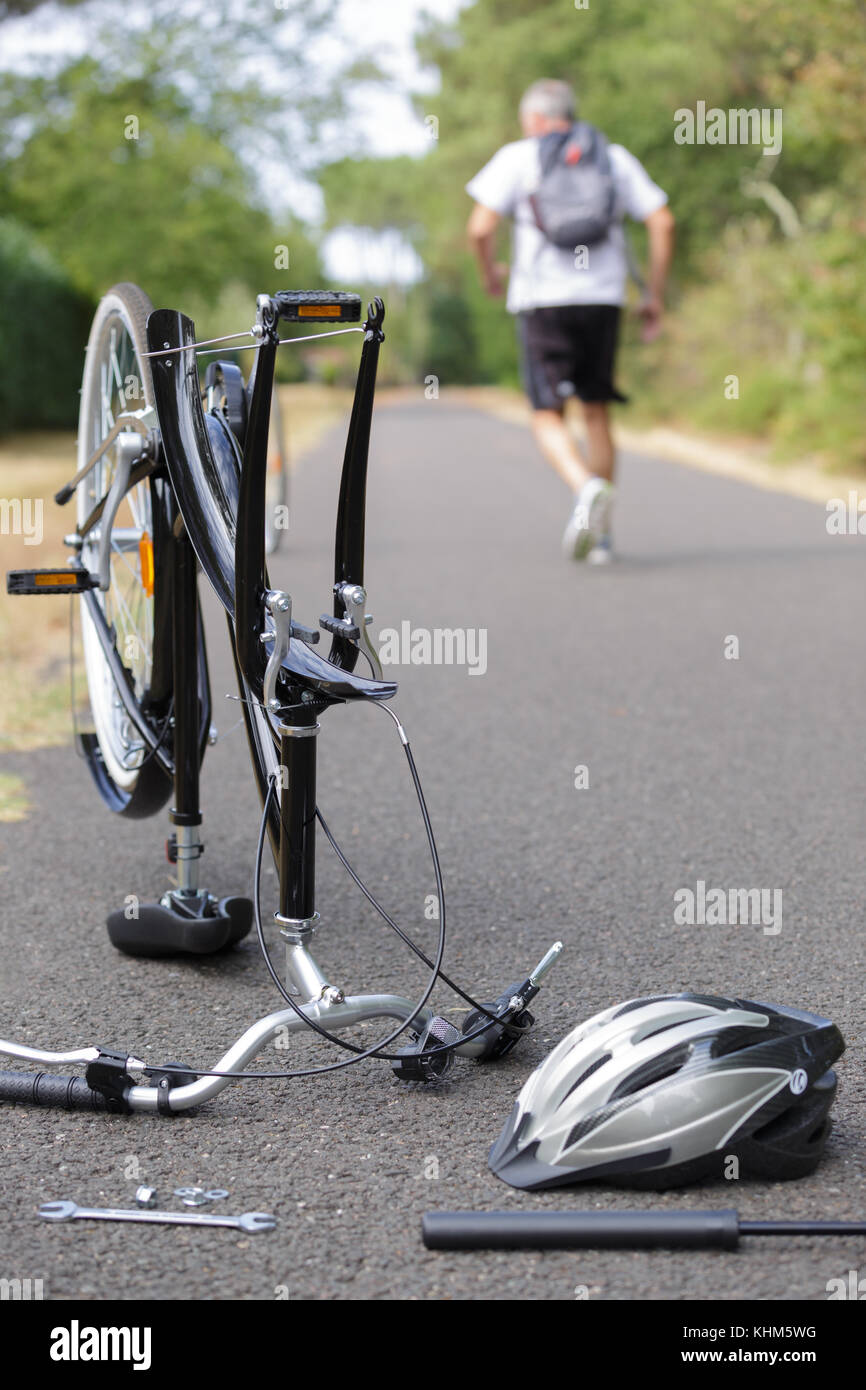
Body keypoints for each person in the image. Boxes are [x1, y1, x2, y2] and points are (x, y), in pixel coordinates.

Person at [466, 78, 675, 562]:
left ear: (536, 120)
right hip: (603, 298)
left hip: (544, 299)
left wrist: (491, 274)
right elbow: (662, 221)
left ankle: (585, 489)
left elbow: (480, 228)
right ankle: (601, 536)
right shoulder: (613, 157)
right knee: (597, 411)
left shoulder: (519, 157)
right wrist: (654, 294)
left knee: (546, 414)